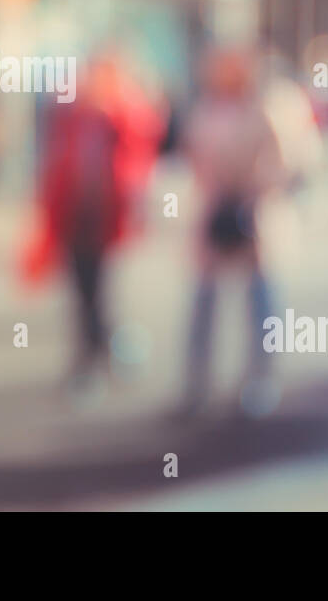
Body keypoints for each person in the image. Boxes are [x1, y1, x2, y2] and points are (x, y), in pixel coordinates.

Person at [32, 53, 160, 399]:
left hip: (104, 217)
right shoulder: (70, 117)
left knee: (98, 293)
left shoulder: (120, 117)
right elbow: (57, 166)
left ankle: (98, 358)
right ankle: (101, 354)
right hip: (75, 217)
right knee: (82, 293)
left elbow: (139, 160)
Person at [180, 47, 287, 417]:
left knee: (259, 301)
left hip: (252, 218)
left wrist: (250, 191)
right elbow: (194, 158)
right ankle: (197, 384)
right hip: (214, 216)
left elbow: (279, 163)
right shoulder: (205, 110)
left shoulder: (260, 110)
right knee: (204, 301)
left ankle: (260, 379)